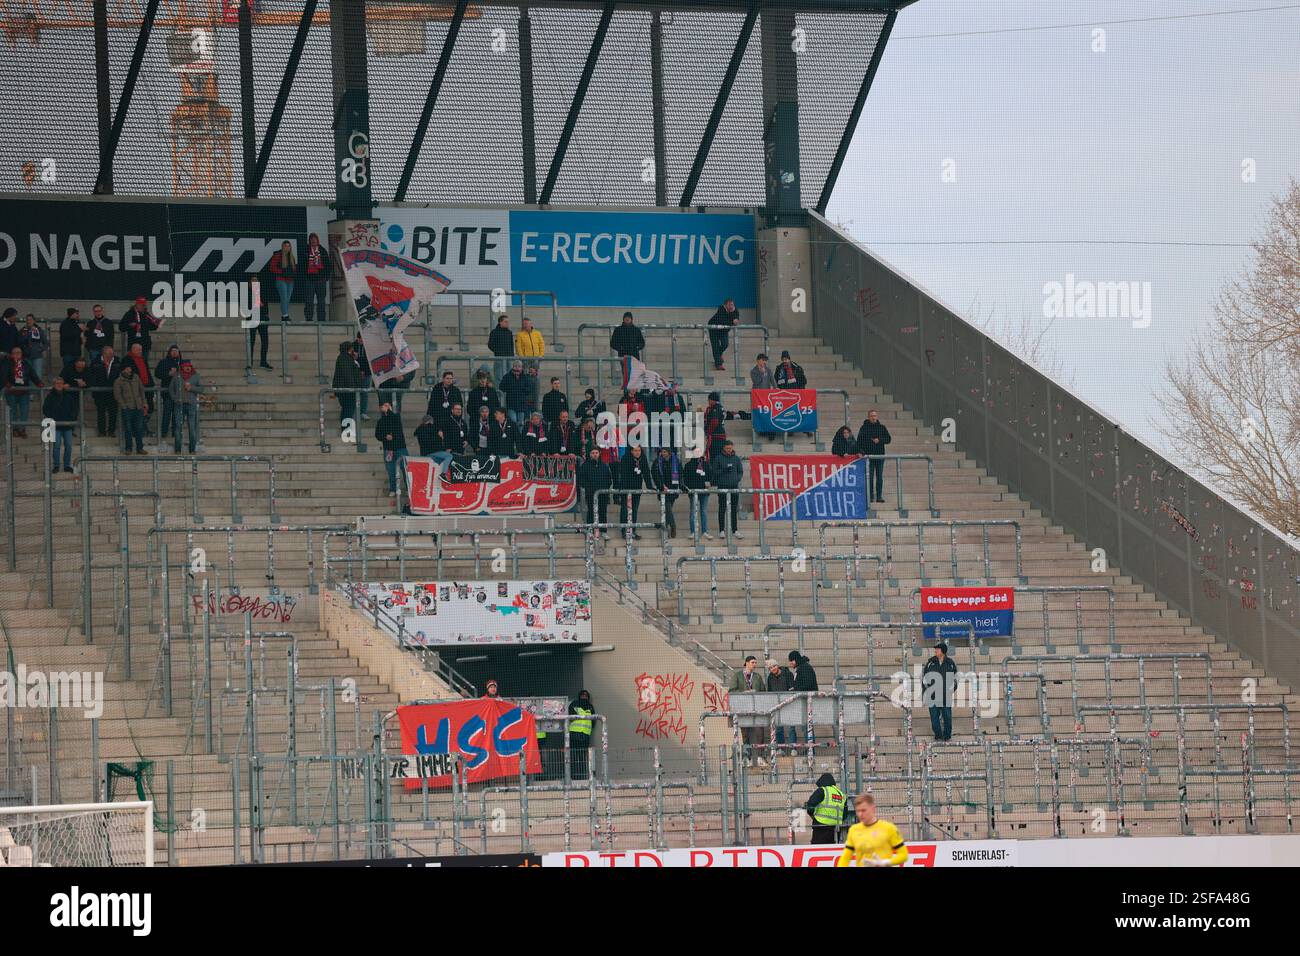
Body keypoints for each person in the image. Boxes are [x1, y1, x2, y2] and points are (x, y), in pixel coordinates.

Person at [837, 793, 908, 867]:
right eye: (858, 811)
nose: (860, 814)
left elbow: (903, 855)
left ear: (873, 809)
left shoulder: (889, 828)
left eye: (863, 810)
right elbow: (845, 858)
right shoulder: (854, 830)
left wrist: (886, 862)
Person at [728, 656, 768, 766]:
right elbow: (732, 690)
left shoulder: (757, 677)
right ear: (746, 663)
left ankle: (760, 757)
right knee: (745, 734)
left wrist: (756, 693)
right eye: (752, 662)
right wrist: (744, 692)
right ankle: (747, 757)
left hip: (756, 708)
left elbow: (763, 692)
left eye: (755, 662)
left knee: (760, 732)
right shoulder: (738, 676)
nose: (754, 664)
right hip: (743, 709)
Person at [922, 641, 959, 742]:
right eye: (935, 649)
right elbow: (924, 679)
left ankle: (947, 736)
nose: (935, 651)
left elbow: (956, 678)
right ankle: (938, 736)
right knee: (934, 718)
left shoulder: (950, 663)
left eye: (937, 649)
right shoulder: (930, 662)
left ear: (943, 651)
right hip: (932, 695)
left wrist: (951, 690)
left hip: (945, 695)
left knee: (947, 716)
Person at [41, 376, 78, 474]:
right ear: (54, 385)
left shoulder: (68, 396)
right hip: (55, 426)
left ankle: (66, 466)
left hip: (67, 425)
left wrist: (70, 419)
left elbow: (74, 409)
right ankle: (56, 465)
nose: (59, 385)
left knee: (68, 446)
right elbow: (45, 409)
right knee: (56, 446)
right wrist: (53, 418)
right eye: (57, 383)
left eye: (61, 383)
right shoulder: (50, 396)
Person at [3, 345, 40, 438]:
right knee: (13, 411)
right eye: (15, 353)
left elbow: (32, 374)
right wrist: (7, 383)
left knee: (24, 411)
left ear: (21, 354)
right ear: (11, 354)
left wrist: (39, 383)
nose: (17, 354)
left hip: (24, 391)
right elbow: (2, 375)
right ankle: (15, 429)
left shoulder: (26, 363)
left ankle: (22, 429)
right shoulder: (7, 363)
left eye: (19, 353)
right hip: (11, 391)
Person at [856, 409, 892, 504]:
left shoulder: (881, 427)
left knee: (879, 477)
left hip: (879, 456)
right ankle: (870, 496)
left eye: (875, 415)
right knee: (870, 477)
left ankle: (879, 496)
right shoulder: (864, 428)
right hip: (868, 457)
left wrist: (879, 440)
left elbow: (888, 439)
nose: (873, 417)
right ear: (868, 417)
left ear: (877, 416)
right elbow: (859, 441)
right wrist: (861, 452)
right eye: (872, 415)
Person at [711, 440, 744, 538]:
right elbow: (714, 472)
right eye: (727, 448)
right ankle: (721, 530)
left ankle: (735, 530)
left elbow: (740, 471)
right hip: (722, 486)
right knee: (722, 508)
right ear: (723, 448)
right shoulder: (718, 458)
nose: (729, 450)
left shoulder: (736, 459)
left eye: (730, 448)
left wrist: (736, 479)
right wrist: (724, 470)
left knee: (734, 509)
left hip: (734, 487)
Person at [375, 401, 408, 499]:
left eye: (388, 406)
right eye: (384, 406)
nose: (386, 407)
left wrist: (389, 411)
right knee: (391, 470)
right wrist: (385, 437)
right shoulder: (381, 421)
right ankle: (393, 489)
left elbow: (393, 419)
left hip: (400, 448)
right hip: (388, 449)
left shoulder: (396, 417)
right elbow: (377, 435)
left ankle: (408, 488)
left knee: (405, 469)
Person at [616, 445, 651, 538]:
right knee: (625, 509)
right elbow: (623, 474)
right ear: (631, 451)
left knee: (634, 510)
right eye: (635, 450)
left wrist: (650, 486)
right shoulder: (625, 459)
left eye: (639, 450)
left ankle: (632, 530)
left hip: (637, 488)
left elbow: (646, 472)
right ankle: (624, 530)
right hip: (626, 488)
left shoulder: (643, 459)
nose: (637, 452)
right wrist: (623, 488)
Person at [113, 362, 147, 454]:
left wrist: (144, 403)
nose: (130, 370)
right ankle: (128, 448)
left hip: (138, 407)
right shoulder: (118, 381)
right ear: (123, 369)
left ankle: (140, 448)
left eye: (130, 368)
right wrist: (124, 405)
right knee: (128, 428)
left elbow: (141, 391)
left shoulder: (136, 378)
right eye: (127, 368)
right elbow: (117, 395)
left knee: (139, 428)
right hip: (127, 408)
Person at [577, 445, 613, 532]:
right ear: (590, 454)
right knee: (591, 512)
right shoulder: (585, 466)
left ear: (599, 453)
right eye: (593, 453)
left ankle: (603, 531)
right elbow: (581, 480)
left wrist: (605, 488)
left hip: (603, 494)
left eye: (596, 453)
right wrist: (589, 487)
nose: (595, 455)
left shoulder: (604, 465)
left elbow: (609, 479)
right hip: (591, 494)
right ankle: (590, 530)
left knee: (603, 512)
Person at [171, 359, 203, 454]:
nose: (188, 368)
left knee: (192, 428)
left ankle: (192, 449)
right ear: (182, 367)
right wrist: (175, 398)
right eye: (186, 366)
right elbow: (171, 389)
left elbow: (201, 388)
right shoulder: (177, 376)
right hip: (179, 405)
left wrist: (192, 388)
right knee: (178, 428)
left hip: (191, 405)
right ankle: (177, 449)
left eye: (189, 366)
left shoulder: (195, 376)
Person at [805, 772, 846, 845]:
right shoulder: (841, 794)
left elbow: (810, 806)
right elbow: (845, 814)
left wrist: (813, 816)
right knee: (832, 851)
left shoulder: (822, 790)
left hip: (821, 827)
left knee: (818, 851)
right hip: (836, 829)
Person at [765, 659, 797, 751]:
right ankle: (780, 748)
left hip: (789, 703)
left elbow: (792, 689)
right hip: (777, 705)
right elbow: (770, 692)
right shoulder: (770, 678)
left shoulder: (788, 674)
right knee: (778, 728)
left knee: (791, 727)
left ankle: (793, 748)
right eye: (770, 668)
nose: (773, 669)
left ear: (777, 666)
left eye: (774, 666)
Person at [650, 445, 682, 537]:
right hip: (663, 489)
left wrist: (680, 485)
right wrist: (661, 486)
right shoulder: (657, 462)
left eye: (665, 452)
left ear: (669, 452)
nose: (663, 453)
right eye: (662, 452)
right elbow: (655, 475)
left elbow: (680, 474)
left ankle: (665, 530)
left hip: (673, 489)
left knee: (668, 511)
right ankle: (673, 526)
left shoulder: (676, 461)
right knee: (667, 508)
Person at [89, 345, 121, 437]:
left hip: (113, 393)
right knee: (101, 412)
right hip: (100, 393)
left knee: (113, 412)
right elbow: (92, 376)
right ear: (103, 353)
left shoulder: (117, 362)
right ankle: (101, 431)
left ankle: (111, 431)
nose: (112, 355)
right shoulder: (95, 363)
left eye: (112, 353)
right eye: (109, 353)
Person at [120, 296, 162, 364]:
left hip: (145, 345)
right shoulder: (129, 314)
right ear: (137, 305)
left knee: (144, 364)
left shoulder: (146, 314)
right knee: (132, 364)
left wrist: (156, 324)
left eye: (144, 305)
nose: (143, 306)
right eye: (142, 305)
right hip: (134, 344)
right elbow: (121, 327)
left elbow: (152, 327)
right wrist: (129, 326)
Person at [514, 316, 545, 409]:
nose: (525, 326)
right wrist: (523, 359)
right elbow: (518, 347)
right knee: (527, 381)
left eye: (527, 324)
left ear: (531, 324)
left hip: (536, 360)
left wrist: (540, 356)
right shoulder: (520, 334)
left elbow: (541, 344)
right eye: (524, 324)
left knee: (536, 381)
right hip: (526, 361)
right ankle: (527, 406)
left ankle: (536, 407)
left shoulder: (537, 333)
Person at [154, 344, 183, 441]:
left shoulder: (182, 363)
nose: (174, 352)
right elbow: (157, 373)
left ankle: (176, 433)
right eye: (173, 350)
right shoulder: (164, 362)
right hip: (167, 393)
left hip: (179, 393)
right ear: (169, 352)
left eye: (176, 350)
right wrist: (168, 374)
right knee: (167, 413)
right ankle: (164, 432)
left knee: (177, 414)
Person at [789, 649, 818, 745]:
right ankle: (810, 749)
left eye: (791, 661)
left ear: (794, 660)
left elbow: (808, 684)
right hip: (805, 701)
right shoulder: (803, 667)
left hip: (807, 701)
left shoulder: (804, 668)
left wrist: (796, 688)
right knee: (806, 726)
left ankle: (810, 750)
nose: (790, 664)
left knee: (807, 726)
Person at [331, 342, 362, 427]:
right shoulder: (345, 358)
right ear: (349, 349)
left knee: (347, 410)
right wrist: (353, 388)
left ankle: (346, 428)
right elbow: (347, 374)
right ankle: (346, 429)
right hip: (347, 390)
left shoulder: (345, 358)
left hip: (346, 389)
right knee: (348, 410)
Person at [302, 232, 330, 321]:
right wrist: (304, 277)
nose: (313, 241)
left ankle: (321, 320)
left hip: (321, 280)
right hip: (309, 280)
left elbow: (328, 265)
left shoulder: (322, 250)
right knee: (309, 301)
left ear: (317, 240)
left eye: (315, 240)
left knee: (321, 301)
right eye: (311, 240)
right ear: (309, 241)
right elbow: (302, 266)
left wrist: (326, 277)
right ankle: (309, 319)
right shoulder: (305, 250)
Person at [682, 451, 710, 539]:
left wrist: (709, 482)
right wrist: (690, 487)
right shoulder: (688, 465)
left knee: (703, 511)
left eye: (699, 452)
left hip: (704, 491)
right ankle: (693, 532)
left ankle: (705, 531)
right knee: (693, 511)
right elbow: (685, 478)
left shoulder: (705, 464)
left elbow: (710, 475)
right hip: (693, 491)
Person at [568, 689, 595, 780]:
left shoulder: (590, 707)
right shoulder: (574, 704)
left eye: (586, 696)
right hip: (574, 735)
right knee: (574, 756)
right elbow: (570, 715)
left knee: (582, 757)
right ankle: (573, 777)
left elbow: (593, 720)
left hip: (585, 735)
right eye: (582, 695)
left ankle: (582, 777)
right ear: (579, 696)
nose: (584, 697)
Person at [707, 297, 739, 370]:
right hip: (713, 329)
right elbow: (724, 321)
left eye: (732, 305)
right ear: (725, 305)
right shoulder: (721, 309)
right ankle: (718, 364)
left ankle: (719, 354)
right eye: (730, 305)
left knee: (725, 344)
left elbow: (736, 320)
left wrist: (735, 319)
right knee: (715, 346)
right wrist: (732, 319)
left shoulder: (735, 310)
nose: (731, 306)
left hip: (723, 330)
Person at [270, 239, 296, 322]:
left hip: (290, 281)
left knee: (287, 299)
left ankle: (284, 315)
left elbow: (294, 269)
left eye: (289, 246)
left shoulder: (292, 257)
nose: (287, 247)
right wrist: (282, 271)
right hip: (281, 280)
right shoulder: (278, 255)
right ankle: (285, 316)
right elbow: (272, 268)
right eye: (285, 246)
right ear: (282, 247)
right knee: (284, 298)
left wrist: (292, 274)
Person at [499, 360, 531, 426]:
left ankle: (519, 436)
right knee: (513, 422)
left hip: (521, 405)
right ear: (513, 367)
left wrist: (521, 388)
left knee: (520, 424)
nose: (517, 368)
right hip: (511, 404)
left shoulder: (525, 377)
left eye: (519, 366)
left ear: (521, 368)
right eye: (515, 366)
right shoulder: (507, 376)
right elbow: (501, 387)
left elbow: (529, 390)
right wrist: (511, 387)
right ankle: (513, 436)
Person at [20, 313, 49, 382]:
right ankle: (30, 392)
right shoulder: (22, 330)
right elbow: (19, 342)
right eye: (27, 320)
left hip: (37, 356)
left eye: (30, 320)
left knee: (37, 375)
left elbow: (46, 343)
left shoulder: (39, 330)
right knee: (27, 375)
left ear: (34, 321)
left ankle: (37, 392)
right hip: (26, 356)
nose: (28, 321)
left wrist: (40, 349)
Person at [488, 314, 514, 383]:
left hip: (509, 359)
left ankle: (508, 393)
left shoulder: (509, 332)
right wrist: (498, 351)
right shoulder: (494, 332)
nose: (507, 323)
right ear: (500, 322)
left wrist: (512, 356)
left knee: (510, 377)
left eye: (508, 322)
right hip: (499, 358)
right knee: (499, 377)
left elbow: (511, 345)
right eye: (506, 321)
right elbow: (490, 345)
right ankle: (499, 393)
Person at [353, 334, 372, 420]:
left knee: (364, 393)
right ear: (358, 338)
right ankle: (354, 412)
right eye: (361, 339)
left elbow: (370, 360)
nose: (362, 341)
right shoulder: (353, 346)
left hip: (367, 373)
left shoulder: (369, 346)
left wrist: (365, 370)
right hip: (355, 374)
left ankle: (363, 412)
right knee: (355, 393)